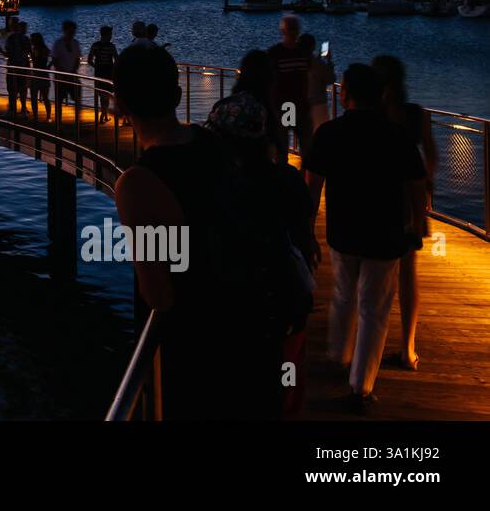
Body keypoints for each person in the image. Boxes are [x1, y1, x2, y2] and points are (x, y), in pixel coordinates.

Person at [112, 45, 283, 419]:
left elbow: (158, 293)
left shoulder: (138, 184)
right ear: (177, 95)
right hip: (252, 334)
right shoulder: (216, 146)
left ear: (118, 105)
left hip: (198, 351)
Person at [304, 64, 427, 414]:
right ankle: (361, 385)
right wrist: (416, 226)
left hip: (343, 231)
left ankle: (339, 353)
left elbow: (312, 186)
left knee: (344, 292)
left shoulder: (329, 133)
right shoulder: (396, 135)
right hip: (386, 235)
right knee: (374, 307)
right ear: (382, 95)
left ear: (345, 95)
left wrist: (307, 230)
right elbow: (416, 187)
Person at [205, 87, 318, 418]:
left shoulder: (220, 189)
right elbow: (302, 236)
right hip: (287, 306)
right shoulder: (287, 179)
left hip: (240, 316)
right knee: (285, 393)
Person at [371, 55, 437, 372]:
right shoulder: (415, 115)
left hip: (376, 200)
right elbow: (431, 156)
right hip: (409, 202)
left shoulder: (371, 117)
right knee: (408, 273)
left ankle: (367, 345)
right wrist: (425, 189)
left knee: (372, 274)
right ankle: (408, 348)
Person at [267, 15, 311, 161]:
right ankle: (284, 175)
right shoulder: (276, 53)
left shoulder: (303, 52)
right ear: (284, 31)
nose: (293, 32)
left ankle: (301, 177)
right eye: (291, 29)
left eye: (295, 29)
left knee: (306, 146)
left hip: (301, 104)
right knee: (284, 144)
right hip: (287, 105)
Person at [301, 33, 335, 156]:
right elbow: (330, 79)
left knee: (304, 139)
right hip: (318, 106)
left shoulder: (297, 62)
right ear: (313, 46)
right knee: (320, 137)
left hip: (300, 105)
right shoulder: (318, 64)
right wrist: (329, 62)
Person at [87, 26, 119, 123]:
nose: (111, 36)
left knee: (101, 95)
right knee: (107, 94)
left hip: (99, 72)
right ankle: (104, 115)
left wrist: (96, 66)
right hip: (109, 72)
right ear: (108, 34)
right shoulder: (111, 46)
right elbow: (117, 60)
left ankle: (103, 115)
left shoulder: (95, 45)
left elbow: (89, 60)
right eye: (110, 34)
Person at [2, 21, 32, 117]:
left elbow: (8, 54)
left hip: (13, 68)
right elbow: (29, 53)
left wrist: (0, 51)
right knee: (23, 89)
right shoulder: (26, 39)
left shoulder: (10, 38)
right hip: (24, 67)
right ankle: (23, 109)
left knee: (12, 89)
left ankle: (12, 110)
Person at [51, 20, 81, 108]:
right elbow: (55, 60)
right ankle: (58, 120)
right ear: (65, 31)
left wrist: (73, 71)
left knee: (77, 96)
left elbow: (77, 58)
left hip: (72, 75)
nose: (72, 33)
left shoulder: (76, 43)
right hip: (60, 77)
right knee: (59, 100)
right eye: (70, 31)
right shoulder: (58, 43)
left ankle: (77, 118)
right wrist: (63, 72)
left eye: (73, 31)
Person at [29, 31, 52, 120]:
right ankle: (48, 116)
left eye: (32, 39)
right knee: (45, 97)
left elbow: (35, 61)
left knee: (35, 97)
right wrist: (48, 66)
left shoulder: (38, 49)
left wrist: (48, 66)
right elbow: (52, 56)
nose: (31, 41)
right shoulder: (42, 48)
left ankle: (37, 116)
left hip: (37, 74)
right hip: (43, 74)